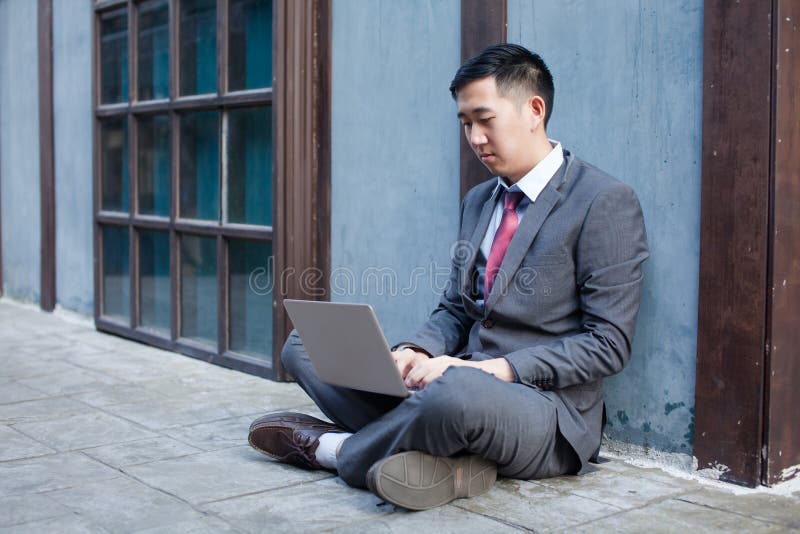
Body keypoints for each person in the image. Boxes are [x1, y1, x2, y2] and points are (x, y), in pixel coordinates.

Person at [248, 43, 649, 511]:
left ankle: (332, 450)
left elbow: (608, 343)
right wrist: (415, 351)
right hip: (456, 386)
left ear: (534, 110)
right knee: (305, 347)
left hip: (545, 413)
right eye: (465, 125)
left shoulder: (604, 201)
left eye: (485, 119)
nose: (475, 137)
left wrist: (488, 371)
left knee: (454, 392)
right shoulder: (479, 200)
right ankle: (442, 455)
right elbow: (456, 310)